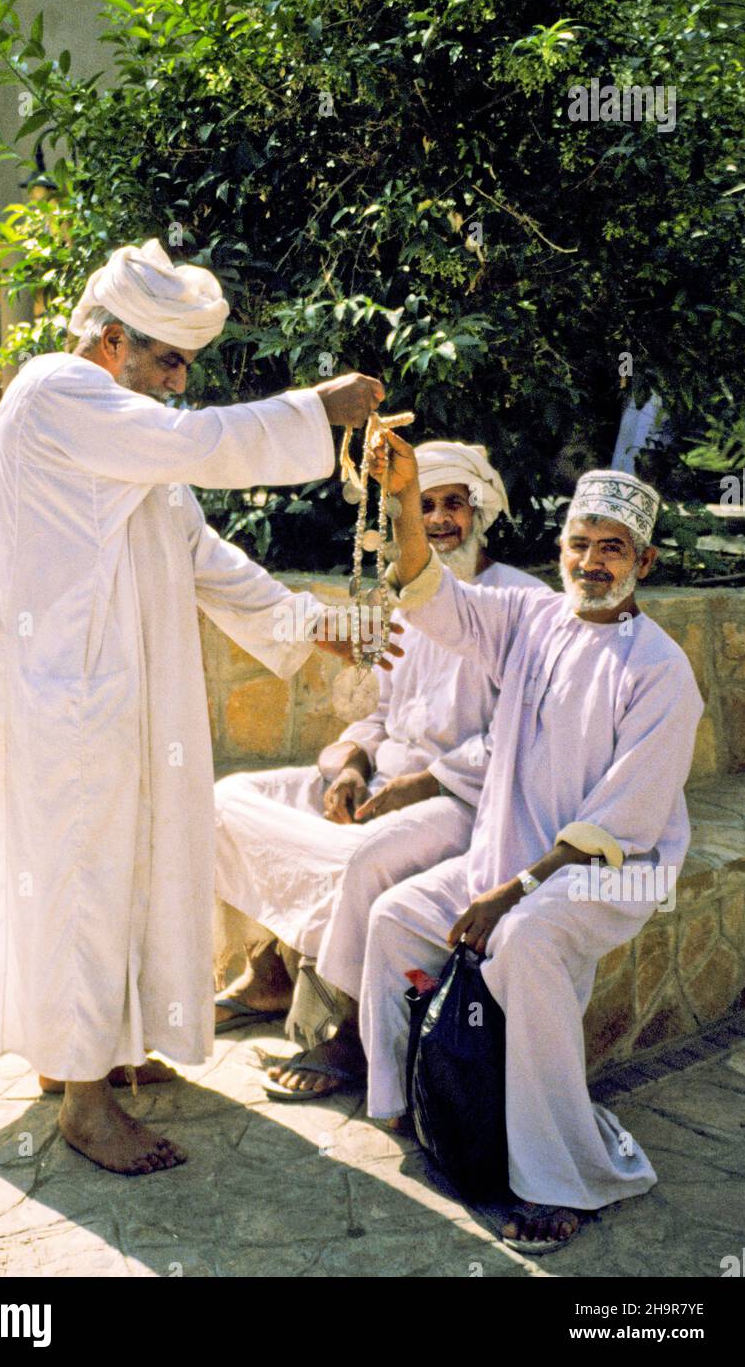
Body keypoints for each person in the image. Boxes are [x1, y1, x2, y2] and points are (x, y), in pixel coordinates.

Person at [0, 237, 388, 1176]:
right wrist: (314, 411)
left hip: (112, 706)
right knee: (79, 887)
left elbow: (199, 554)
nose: (177, 381)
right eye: (166, 359)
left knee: (119, 877)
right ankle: (85, 1106)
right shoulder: (57, 391)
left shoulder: (122, 426)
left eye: (184, 364)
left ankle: (84, 1056)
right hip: (65, 706)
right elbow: (198, 444)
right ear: (109, 339)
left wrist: (315, 623)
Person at [360, 443, 703, 1252]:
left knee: (525, 941)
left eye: (611, 546)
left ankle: (561, 1176)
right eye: (579, 544)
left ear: (644, 561)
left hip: (612, 873)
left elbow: (621, 825)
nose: (590, 561)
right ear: (560, 551)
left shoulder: (661, 671)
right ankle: (425, 1106)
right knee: (394, 918)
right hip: (507, 862)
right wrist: (405, 498)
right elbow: (429, 593)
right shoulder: (530, 618)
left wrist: (512, 891)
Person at [212, 443, 545, 1099]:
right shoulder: (406, 598)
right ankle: (268, 973)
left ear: (483, 513)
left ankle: (351, 1035)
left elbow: (519, 739)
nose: (443, 519)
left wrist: (419, 785)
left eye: (456, 504)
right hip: (382, 783)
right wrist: (354, 767)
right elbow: (378, 713)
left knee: (363, 860)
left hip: (460, 799)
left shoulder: (523, 604)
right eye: (426, 507)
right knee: (230, 799)